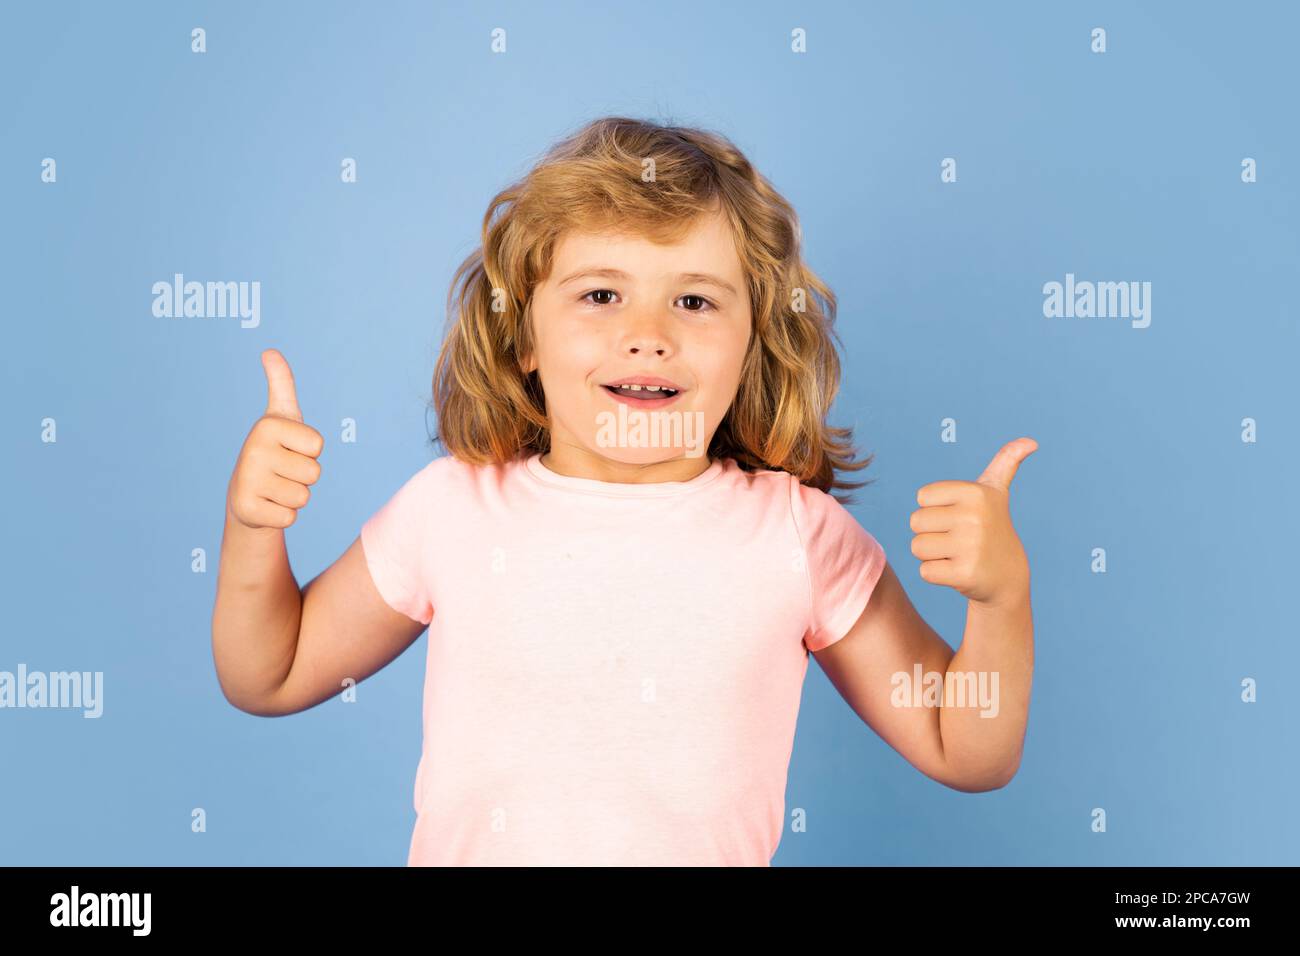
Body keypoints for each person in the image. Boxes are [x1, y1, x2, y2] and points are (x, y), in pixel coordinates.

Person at [211, 116, 1037, 866]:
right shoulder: (450, 510)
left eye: (694, 300)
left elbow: (964, 750)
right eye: (601, 295)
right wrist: (253, 525)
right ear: (523, 337)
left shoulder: (798, 536)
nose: (648, 336)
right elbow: (271, 673)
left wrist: (1000, 600)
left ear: (754, 342)